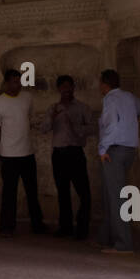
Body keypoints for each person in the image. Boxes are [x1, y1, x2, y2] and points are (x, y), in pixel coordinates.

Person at [40, 74, 96, 240]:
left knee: (84, 193)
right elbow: (43, 129)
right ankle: (65, 227)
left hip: (75, 153)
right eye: (62, 86)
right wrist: (52, 117)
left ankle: (82, 228)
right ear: (58, 89)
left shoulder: (82, 108)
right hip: (59, 154)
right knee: (63, 192)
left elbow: (93, 128)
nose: (66, 89)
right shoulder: (53, 108)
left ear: (73, 88)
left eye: (68, 86)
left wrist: (77, 127)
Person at [0, 69, 47, 236]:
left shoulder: (27, 98)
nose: (18, 84)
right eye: (15, 81)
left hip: (27, 153)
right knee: (9, 193)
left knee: (32, 191)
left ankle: (37, 225)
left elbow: (30, 119)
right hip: (8, 155)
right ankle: (7, 227)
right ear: (7, 83)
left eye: (20, 81)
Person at [95, 69, 140, 254]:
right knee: (111, 195)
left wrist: (102, 149)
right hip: (129, 149)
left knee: (116, 198)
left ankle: (123, 244)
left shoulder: (110, 99)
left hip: (113, 151)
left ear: (105, 84)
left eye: (100, 83)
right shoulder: (130, 97)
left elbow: (111, 125)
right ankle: (105, 239)